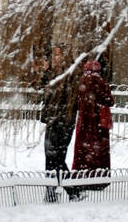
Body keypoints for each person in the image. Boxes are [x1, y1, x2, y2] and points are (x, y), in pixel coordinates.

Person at [40, 45, 78, 199]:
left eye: (58, 55)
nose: (55, 58)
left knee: (56, 158)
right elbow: (43, 90)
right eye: (54, 55)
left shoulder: (69, 76)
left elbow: (65, 99)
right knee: (51, 158)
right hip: (53, 121)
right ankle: (57, 192)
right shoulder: (54, 74)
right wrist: (45, 71)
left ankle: (68, 191)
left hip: (63, 122)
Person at [72, 58, 113, 178]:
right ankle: (98, 177)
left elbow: (76, 103)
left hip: (84, 122)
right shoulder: (102, 83)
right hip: (98, 123)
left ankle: (81, 175)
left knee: (83, 150)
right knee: (99, 150)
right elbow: (110, 101)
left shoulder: (81, 83)